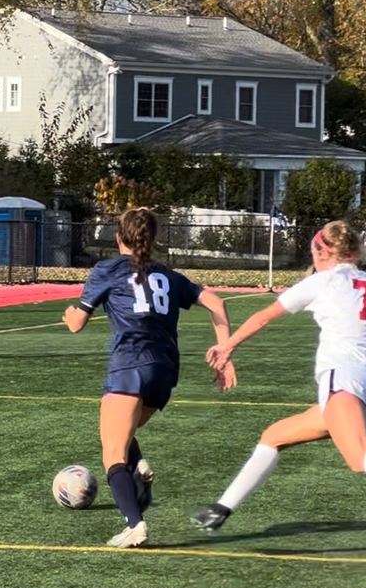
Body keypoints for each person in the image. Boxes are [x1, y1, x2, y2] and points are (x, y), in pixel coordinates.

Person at [191, 220, 366, 546]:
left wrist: (227, 346)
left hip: (342, 383)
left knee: (359, 457)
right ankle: (220, 510)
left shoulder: (322, 282)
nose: (312, 258)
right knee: (273, 436)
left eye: (315, 251)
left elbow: (262, 317)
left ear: (325, 252)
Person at [63, 207, 238, 548]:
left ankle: (135, 525)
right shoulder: (169, 276)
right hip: (165, 369)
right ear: (153, 239)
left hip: (130, 363)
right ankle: (138, 464)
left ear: (118, 238)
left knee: (112, 449)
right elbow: (216, 303)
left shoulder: (107, 269)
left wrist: (70, 314)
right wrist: (224, 352)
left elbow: (76, 324)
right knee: (121, 432)